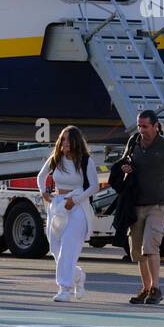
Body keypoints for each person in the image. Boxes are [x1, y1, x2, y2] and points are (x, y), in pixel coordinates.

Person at [120, 109, 164, 305]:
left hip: (158, 204)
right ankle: (146, 288)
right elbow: (125, 162)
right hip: (136, 204)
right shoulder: (134, 142)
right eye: (139, 126)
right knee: (138, 251)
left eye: (145, 126)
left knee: (150, 246)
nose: (141, 130)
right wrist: (125, 168)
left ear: (156, 126)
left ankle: (156, 288)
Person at [36, 126, 99, 302]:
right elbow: (41, 177)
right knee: (55, 248)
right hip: (57, 206)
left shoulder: (85, 160)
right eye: (63, 139)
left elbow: (94, 186)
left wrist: (75, 200)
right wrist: (44, 192)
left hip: (77, 207)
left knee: (68, 250)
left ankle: (64, 289)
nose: (65, 143)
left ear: (76, 141)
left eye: (68, 139)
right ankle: (77, 276)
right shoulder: (56, 158)